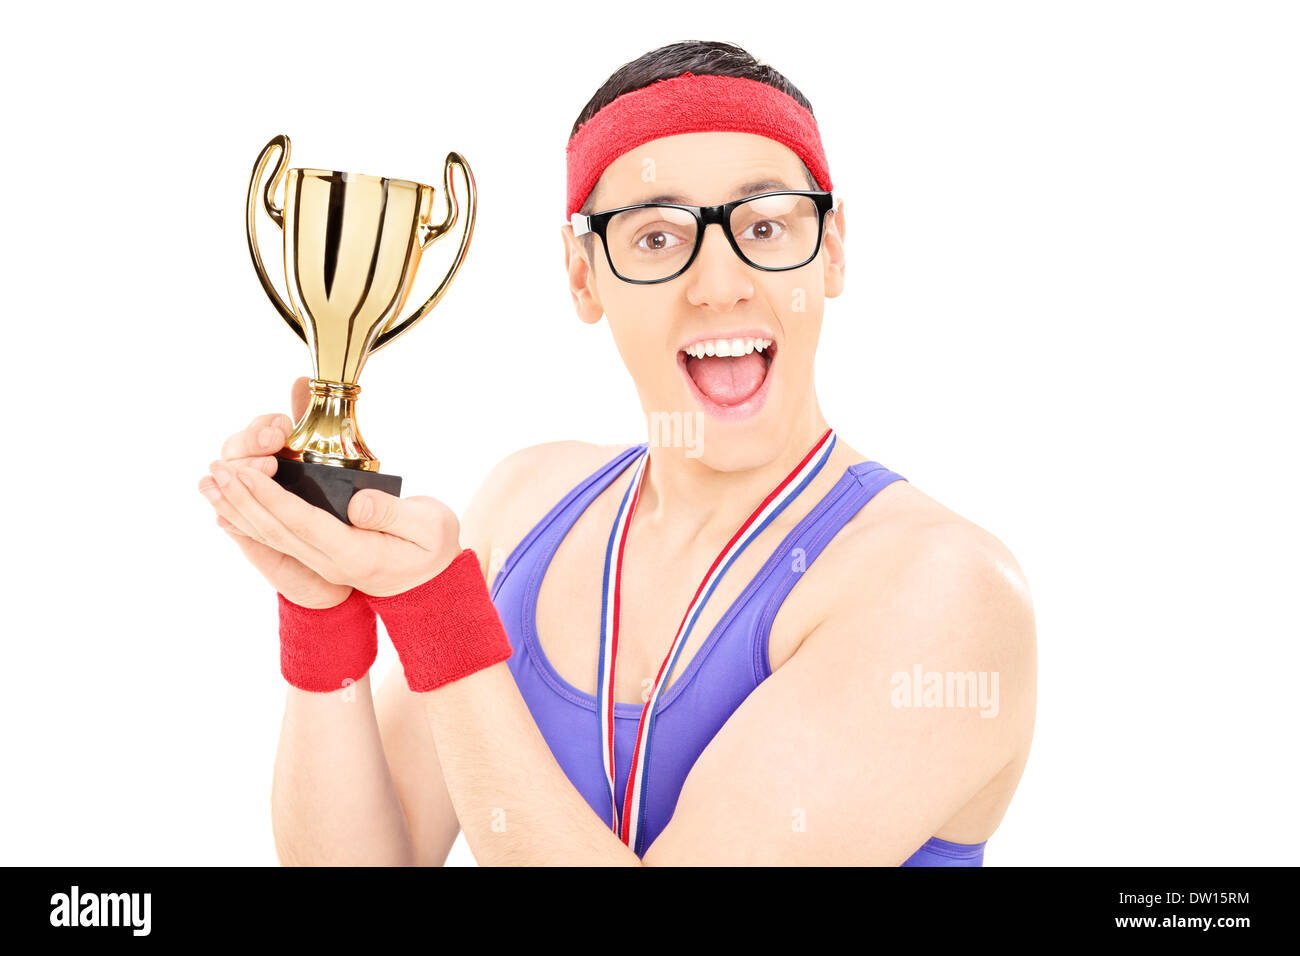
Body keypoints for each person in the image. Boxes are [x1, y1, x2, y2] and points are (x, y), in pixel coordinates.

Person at [198, 40, 1037, 866]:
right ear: (581, 275)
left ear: (833, 247)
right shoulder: (525, 503)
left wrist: (435, 616)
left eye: (767, 225)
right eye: (657, 238)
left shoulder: (944, 591)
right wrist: (322, 612)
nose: (720, 283)